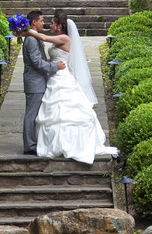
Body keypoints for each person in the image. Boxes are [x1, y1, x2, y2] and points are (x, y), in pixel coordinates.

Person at [27, 10, 118, 165]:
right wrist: (51, 64)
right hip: (54, 75)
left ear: (60, 25)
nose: (50, 25)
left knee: (65, 110)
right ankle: (55, 143)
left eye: (53, 23)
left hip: (63, 78)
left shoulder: (64, 37)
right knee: (54, 111)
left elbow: (42, 37)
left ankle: (68, 144)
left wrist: (24, 30)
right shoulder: (58, 40)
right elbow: (55, 56)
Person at [21, 8, 65, 155]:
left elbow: (39, 60)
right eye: (41, 20)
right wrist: (54, 66)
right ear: (34, 22)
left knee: (34, 114)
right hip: (34, 82)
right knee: (31, 115)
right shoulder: (32, 40)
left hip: (37, 81)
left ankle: (34, 142)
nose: (43, 23)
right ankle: (30, 146)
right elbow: (37, 63)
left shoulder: (33, 38)